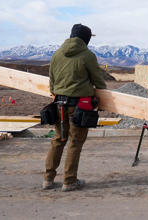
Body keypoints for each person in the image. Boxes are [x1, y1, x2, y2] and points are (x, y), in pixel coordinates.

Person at [44, 23, 107, 192]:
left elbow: (52, 83)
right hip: (79, 106)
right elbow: (99, 82)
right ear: (85, 39)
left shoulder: (57, 54)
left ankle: (48, 179)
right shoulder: (87, 55)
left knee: (58, 139)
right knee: (75, 142)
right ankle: (69, 181)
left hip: (58, 105)